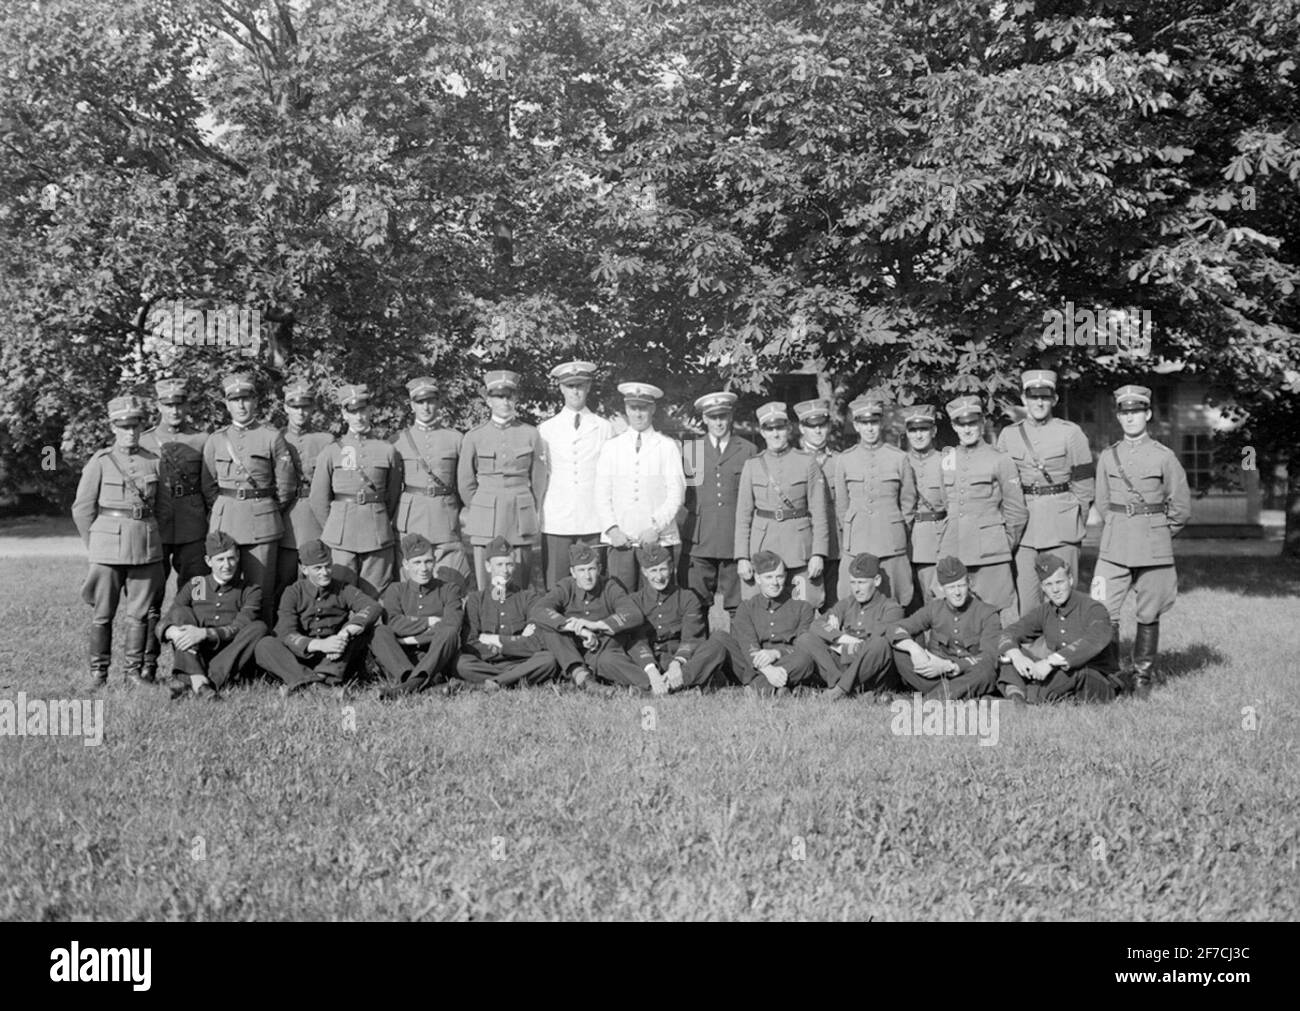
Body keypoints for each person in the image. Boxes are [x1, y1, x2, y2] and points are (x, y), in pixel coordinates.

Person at [1091, 384, 1192, 698]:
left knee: (1149, 612)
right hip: (1115, 547)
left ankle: (1142, 678)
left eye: (1136, 411)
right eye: (1125, 412)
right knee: (1104, 609)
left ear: (1147, 414)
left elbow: (1181, 508)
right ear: (1118, 416)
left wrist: (1158, 532)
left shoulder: (1164, 457)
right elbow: (1103, 504)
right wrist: (1124, 527)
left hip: (1154, 548)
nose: (1130, 418)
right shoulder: (1108, 457)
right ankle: (1110, 676)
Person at [71, 395, 165, 687]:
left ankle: (133, 672)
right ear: (113, 427)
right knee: (103, 614)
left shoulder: (154, 462)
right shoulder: (100, 462)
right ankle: (98, 673)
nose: (130, 432)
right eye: (123, 427)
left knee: (139, 614)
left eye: (135, 426)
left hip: (145, 546)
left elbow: (162, 508)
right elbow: (82, 509)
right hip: (107, 549)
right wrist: (98, 542)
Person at [254, 539, 410, 696]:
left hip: (336, 657)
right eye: (318, 568)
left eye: (328, 565)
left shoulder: (342, 589)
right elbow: (285, 632)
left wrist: (345, 633)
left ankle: (304, 684)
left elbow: (372, 606)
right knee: (264, 644)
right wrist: (319, 644)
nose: (325, 572)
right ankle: (319, 687)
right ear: (304, 569)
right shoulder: (293, 592)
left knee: (375, 630)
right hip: (303, 657)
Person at [996, 369, 1096, 613]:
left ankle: (1066, 651)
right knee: (1028, 604)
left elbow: (1084, 487)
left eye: (1045, 396)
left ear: (1054, 399)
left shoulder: (1071, 433)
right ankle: (1031, 651)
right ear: (1023, 399)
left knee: (1064, 600)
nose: (1039, 402)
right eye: (1033, 396)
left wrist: (1073, 520)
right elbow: (1001, 486)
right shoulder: (1009, 435)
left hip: (1062, 526)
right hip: (1025, 529)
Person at [202, 372, 297, 625]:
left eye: (246, 398)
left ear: (255, 401)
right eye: (235, 400)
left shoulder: (271, 436)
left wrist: (266, 508)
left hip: (262, 525)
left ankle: (261, 654)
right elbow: (208, 485)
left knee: (261, 592)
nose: (241, 405)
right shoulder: (216, 439)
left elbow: (285, 486)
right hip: (226, 523)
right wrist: (226, 507)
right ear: (226, 403)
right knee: (225, 591)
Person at [139, 377, 211, 682]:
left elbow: (211, 489)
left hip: (193, 529)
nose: (174, 409)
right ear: (158, 406)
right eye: (168, 404)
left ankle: (193, 664)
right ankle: (146, 664)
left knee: (196, 596)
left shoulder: (202, 440)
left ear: (187, 405)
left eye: (179, 403)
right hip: (156, 530)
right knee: (150, 599)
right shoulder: (143, 442)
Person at [937, 394, 1028, 626]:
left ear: (982, 423)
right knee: (954, 615)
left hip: (990, 551)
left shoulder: (1000, 459)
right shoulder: (948, 459)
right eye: (961, 424)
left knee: (989, 614)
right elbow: (945, 502)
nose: (967, 429)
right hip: (955, 545)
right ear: (954, 426)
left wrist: (1003, 543)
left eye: (972, 422)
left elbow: (1016, 510)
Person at [311, 383, 402, 599]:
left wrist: (378, 519)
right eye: (352, 412)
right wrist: (335, 526)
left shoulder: (387, 451)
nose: (359, 417)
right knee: (340, 593)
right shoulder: (331, 452)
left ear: (370, 410)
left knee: (376, 593)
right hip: (341, 536)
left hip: (377, 534)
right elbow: (318, 499)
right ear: (344, 414)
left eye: (362, 410)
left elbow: (393, 496)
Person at [734, 402, 829, 607]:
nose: (776, 434)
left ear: (789, 429)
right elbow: (743, 516)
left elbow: (819, 514)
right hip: (763, 545)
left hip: (799, 548)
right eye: (770, 429)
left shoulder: (807, 462)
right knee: (760, 608)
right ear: (762, 432)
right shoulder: (752, 466)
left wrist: (818, 554)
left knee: (805, 606)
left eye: (780, 428)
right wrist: (742, 556)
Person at [458, 369, 546, 591]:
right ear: (488, 400)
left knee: (519, 581)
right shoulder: (474, 436)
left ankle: (516, 623)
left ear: (516, 398)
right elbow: (466, 482)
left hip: (520, 514)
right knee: (488, 584)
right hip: (486, 517)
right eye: (499, 396)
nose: (505, 401)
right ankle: (487, 622)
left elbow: (538, 478)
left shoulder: (530, 434)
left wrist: (531, 507)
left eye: (509, 396)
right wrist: (481, 505)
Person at [594, 381, 686, 592]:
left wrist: (655, 528)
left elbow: (676, 494)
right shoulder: (612, 447)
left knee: (657, 598)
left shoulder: (667, 446)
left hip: (657, 540)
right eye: (633, 408)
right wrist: (612, 529)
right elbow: (601, 492)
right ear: (626, 409)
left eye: (643, 408)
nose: (638, 414)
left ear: (652, 409)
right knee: (621, 598)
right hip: (621, 539)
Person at [997, 553, 1123, 704]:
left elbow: (1094, 640)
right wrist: (1017, 656)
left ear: (1070, 580)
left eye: (1059, 582)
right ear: (1043, 588)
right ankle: (1016, 696)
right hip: (1062, 674)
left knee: (1075, 671)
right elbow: (1008, 633)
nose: (1055, 590)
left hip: (1097, 678)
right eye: (1049, 585)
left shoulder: (1092, 608)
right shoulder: (1044, 611)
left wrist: (1050, 662)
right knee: (1006, 656)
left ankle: (1027, 698)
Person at [158, 531, 266, 700]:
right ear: (208, 561)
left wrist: (205, 634)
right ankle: (200, 682)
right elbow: (168, 618)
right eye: (220, 560)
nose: (227, 565)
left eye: (231, 558)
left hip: (229, 655)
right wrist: (171, 631)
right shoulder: (198, 585)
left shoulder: (249, 589)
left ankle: (197, 683)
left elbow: (240, 627)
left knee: (259, 628)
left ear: (238, 557)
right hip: (196, 652)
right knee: (180, 613)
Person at [833, 392, 917, 608]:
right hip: (857, 539)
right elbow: (842, 506)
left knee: (896, 599)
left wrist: (896, 527)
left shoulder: (898, 458)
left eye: (874, 422)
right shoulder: (845, 459)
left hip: (890, 541)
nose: (869, 428)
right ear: (857, 425)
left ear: (881, 423)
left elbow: (908, 502)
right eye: (864, 422)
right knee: (852, 600)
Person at [680, 391, 755, 626]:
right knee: (695, 605)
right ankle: (699, 659)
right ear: (704, 419)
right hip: (700, 540)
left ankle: (738, 659)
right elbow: (687, 497)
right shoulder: (692, 450)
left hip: (735, 540)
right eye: (713, 417)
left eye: (723, 416)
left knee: (739, 607)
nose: (719, 422)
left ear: (730, 416)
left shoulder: (747, 449)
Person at [530, 542, 648, 692]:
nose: (587, 576)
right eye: (581, 570)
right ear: (573, 572)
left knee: (610, 653)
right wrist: (574, 628)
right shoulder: (566, 587)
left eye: (591, 569)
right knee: (550, 630)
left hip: (599, 649)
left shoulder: (610, 586)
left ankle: (580, 681)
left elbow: (634, 614)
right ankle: (583, 678)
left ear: (599, 569)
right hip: (571, 650)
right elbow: (538, 610)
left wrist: (596, 625)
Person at [537, 360, 612, 588]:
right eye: (570, 386)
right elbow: (543, 474)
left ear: (589, 386)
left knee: (593, 579)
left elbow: (610, 475)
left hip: (593, 515)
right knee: (557, 582)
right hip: (558, 517)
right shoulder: (546, 429)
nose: (576, 391)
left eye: (580, 385)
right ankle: (557, 624)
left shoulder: (604, 427)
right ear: (561, 388)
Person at [888, 556, 1001, 700]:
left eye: (961, 585)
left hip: (967, 675)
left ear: (969, 583)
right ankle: (960, 696)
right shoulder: (934, 608)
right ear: (941, 588)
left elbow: (989, 657)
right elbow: (895, 628)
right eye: (951, 587)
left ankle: (930, 700)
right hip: (934, 677)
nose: (957, 593)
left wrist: (949, 666)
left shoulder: (987, 613)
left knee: (986, 671)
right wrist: (914, 649)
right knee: (899, 649)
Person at [797, 552, 906, 701]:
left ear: (877, 581)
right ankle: (845, 687)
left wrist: (839, 646)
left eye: (861, 582)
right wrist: (839, 637)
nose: (857, 589)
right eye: (853, 582)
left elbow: (876, 644)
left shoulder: (891, 608)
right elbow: (816, 625)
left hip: (869, 670)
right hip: (843, 665)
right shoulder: (847, 603)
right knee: (805, 639)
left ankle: (838, 691)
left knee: (880, 645)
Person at [392, 375, 470, 582]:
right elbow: (391, 488)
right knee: (412, 582)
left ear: (439, 403)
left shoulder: (455, 439)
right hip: (411, 517)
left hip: (445, 518)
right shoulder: (397, 441)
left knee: (451, 580)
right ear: (412, 405)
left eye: (430, 401)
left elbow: (464, 482)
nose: (426, 407)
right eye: (420, 402)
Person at [456, 536, 559, 690]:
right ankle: (512, 679)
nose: (505, 571)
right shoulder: (476, 600)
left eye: (509, 564)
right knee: (461, 663)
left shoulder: (528, 597)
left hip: (521, 662)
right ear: (488, 567)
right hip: (487, 663)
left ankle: (489, 684)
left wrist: (496, 640)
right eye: (499, 565)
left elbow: (537, 642)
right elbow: (470, 642)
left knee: (548, 659)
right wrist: (516, 641)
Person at [627, 543, 731, 695]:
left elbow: (692, 637)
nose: (659, 577)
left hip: (681, 659)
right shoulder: (635, 600)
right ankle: (681, 686)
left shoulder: (687, 597)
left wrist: (677, 662)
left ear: (671, 569)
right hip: (650, 659)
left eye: (662, 569)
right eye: (653, 571)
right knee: (613, 656)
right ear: (644, 572)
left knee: (717, 645)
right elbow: (637, 641)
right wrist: (651, 670)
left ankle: (663, 687)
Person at [375, 533, 466, 699]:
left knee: (449, 633)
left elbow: (452, 624)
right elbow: (393, 623)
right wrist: (429, 622)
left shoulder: (449, 589)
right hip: (402, 658)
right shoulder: (396, 590)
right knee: (379, 631)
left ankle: (407, 687)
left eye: (428, 562)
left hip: (436, 655)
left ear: (435, 562)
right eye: (417, 562)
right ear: (405, 565)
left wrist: (408, 637)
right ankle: (424, 685)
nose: (423, 569)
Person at [723, 549, 819, 695]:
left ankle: (757, 687)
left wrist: (776, 653)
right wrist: (768, 670)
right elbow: (749, 646)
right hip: (756, 663)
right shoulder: (747, 607)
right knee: (720, 638)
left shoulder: (802, 607)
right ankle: (780, 687)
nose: (775, 583)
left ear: (786, 577)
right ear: (758, 578)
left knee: (805, 659)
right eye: (768, 577)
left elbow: (803, 646)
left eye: (779, 577)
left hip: (789, 661)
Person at [276, 379, 335, 605]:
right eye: (295, 406)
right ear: (286, 408)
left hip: (315, 517)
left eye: (305, 406)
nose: (300, 412)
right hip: (286, 518)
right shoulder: (275, 438)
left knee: (317, 581)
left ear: (312, 408)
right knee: (284, 580)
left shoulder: (325, 440)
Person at [793, 398, 840, 611]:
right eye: (812, 426)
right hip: (804, 546)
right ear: (802, 428)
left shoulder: (840, 461)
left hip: (836, 546)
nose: (818, 431)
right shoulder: (793, 461)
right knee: (803, 608)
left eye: (822, 425)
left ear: (829, 426)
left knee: (835, 609)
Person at [902, 404, 947, 606]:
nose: (918, 435)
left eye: (923, 429)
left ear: (933, 431)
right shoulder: (898, 461)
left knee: (935, 603)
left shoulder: (945, 461)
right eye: (913, 430)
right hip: (904, 541)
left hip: (933, 542)